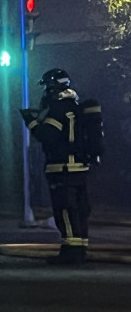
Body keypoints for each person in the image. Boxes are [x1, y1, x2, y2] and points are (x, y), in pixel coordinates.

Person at [21, 69, 103, 264]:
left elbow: (47, 136)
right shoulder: (76, 107)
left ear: (52, 88)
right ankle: (80, 249)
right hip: (80, 169)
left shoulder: (58, 109)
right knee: (80, 210)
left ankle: (70, 253)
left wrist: (30, 121)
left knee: (65, 210)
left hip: (62, 168)